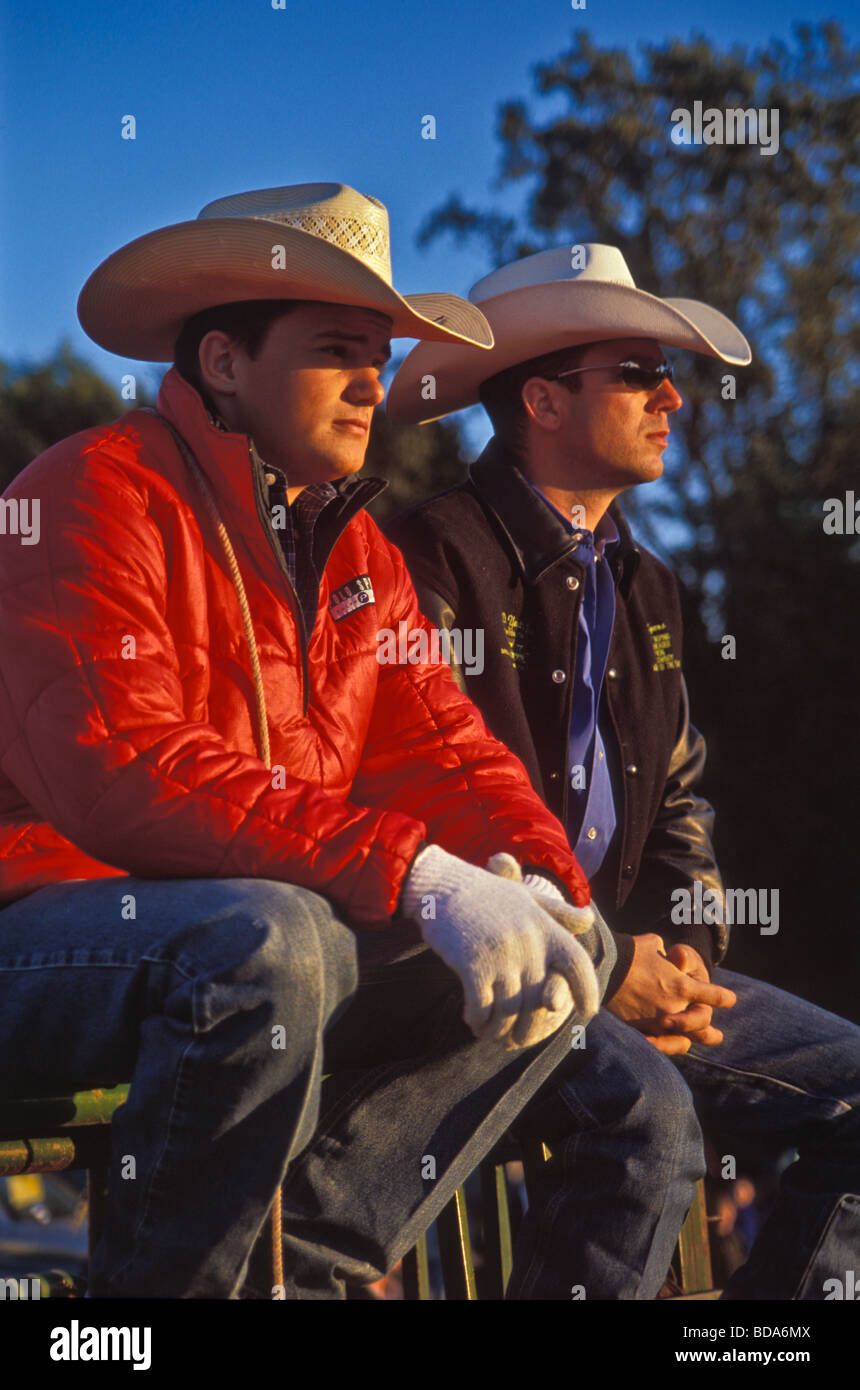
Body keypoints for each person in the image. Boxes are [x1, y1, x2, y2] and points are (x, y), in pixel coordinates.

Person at [0, 190, 618, 1300]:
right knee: (277, 938)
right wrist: (417, 872)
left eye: (379, 355)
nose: (376, 383)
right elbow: (119, 763)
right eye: (340, 351)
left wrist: (551, 888)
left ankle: (311, 1267)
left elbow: (453, 757)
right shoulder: (87, 490)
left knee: (570, 948)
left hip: (232, 940)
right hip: (38, 927)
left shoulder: (362, 555)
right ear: (226, 359)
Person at [386, 243, 860, 1299]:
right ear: (545, 400)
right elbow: (435, 799)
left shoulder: (646, 583)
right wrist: (604, 962)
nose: (673, 399)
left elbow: (678, 792)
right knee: (653, 1134)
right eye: (639, 374)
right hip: (498, 963)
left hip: (633, 967)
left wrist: (682, 956)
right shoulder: (431, 554)